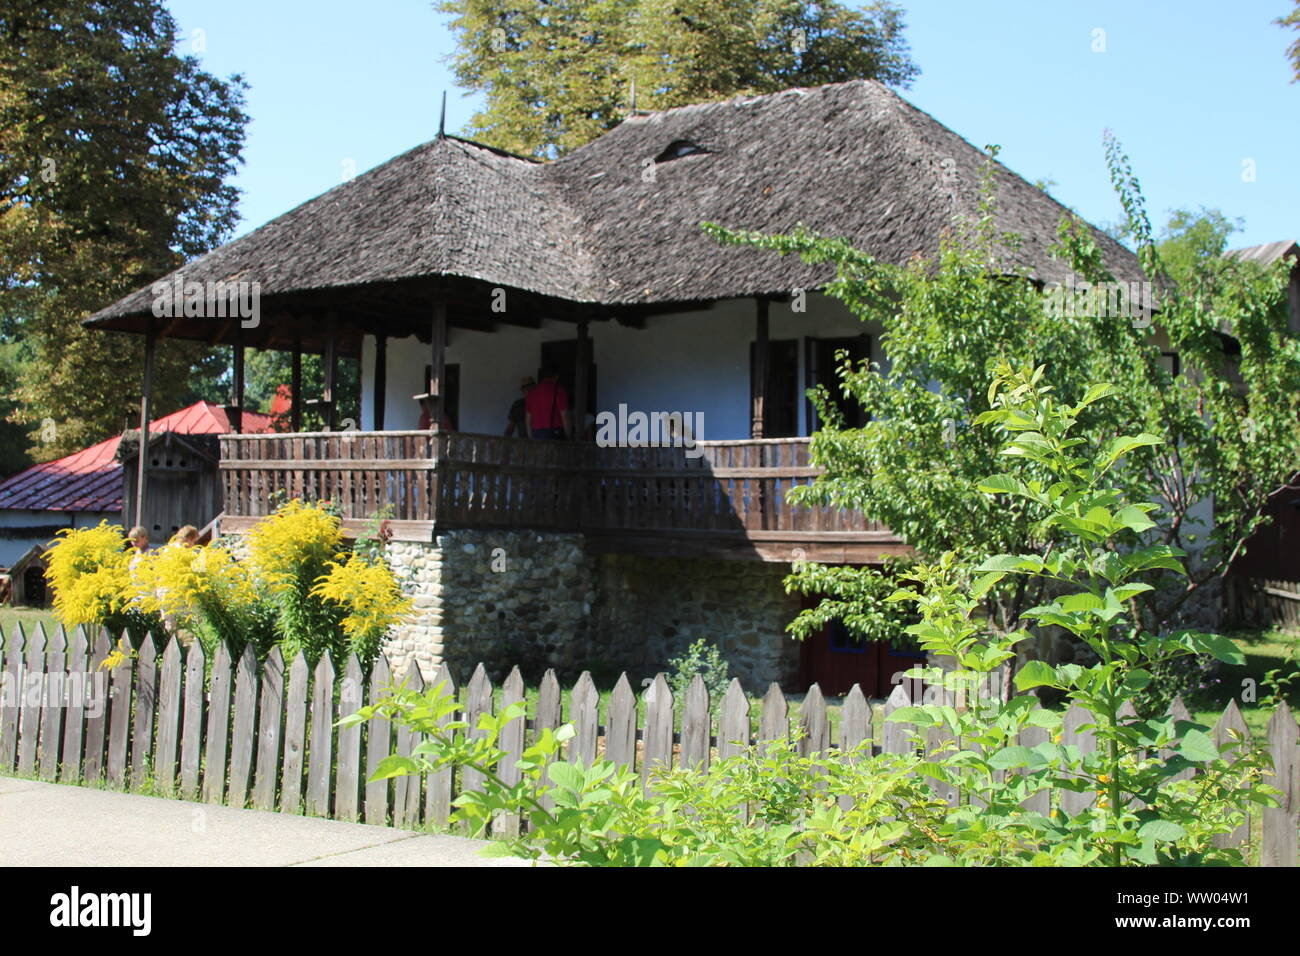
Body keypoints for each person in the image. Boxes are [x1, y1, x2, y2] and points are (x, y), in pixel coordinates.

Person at [525, 367, 571, 440]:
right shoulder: (559, 391)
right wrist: (568, 436)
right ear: (556, 376)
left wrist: (531, 438)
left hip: (536, 434)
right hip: (554, 434)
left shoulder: (532, 392)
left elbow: (528, 419)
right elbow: (565, 416)